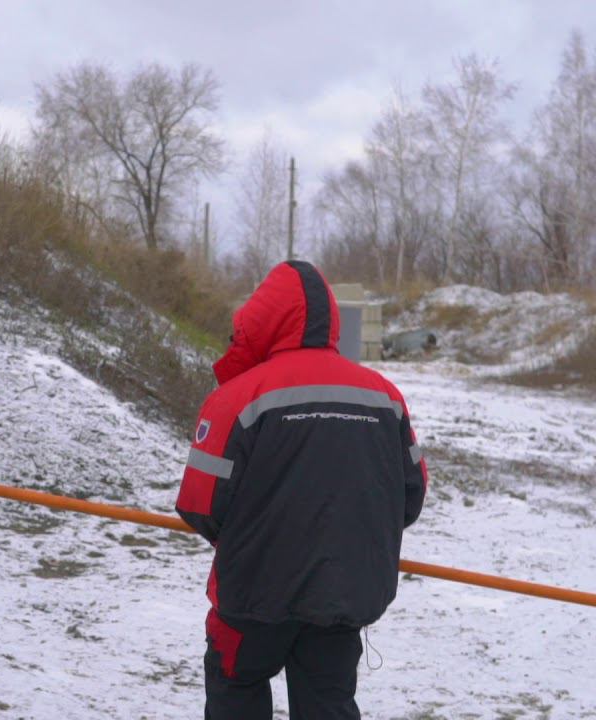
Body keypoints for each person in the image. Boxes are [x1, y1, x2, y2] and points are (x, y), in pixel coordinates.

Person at [176, 260, 428, 720]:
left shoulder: (238, 397)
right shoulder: (384, 397)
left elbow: (200, 504)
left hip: (252, 599)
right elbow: (411, 496)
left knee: (237, 695)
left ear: (260, 321)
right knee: (328, 705)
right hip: (343, 598)